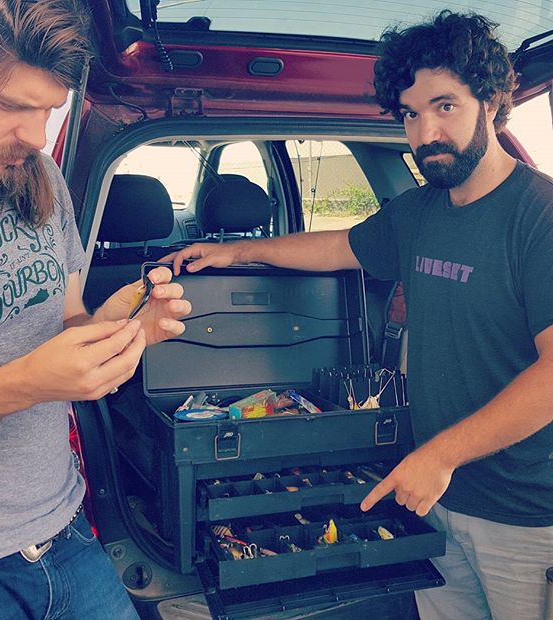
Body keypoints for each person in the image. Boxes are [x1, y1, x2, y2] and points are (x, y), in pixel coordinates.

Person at [166, 11, 553, 620]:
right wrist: (235, 250)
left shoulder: (540, 216)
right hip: (433, 494)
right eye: (409, 113)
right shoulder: (418, 211)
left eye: (444, 106)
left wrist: (440, 455)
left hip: (526, 513)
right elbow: (341, 246)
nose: (425, 132)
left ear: (492, 100)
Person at [0, 1, 191, 618]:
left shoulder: (37, 176)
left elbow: (66, 320)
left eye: (50, 110)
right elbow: (33, 376)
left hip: (63, 534)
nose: (38, 138)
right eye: (14, 107)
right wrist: (25, 385)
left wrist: (117, 332)